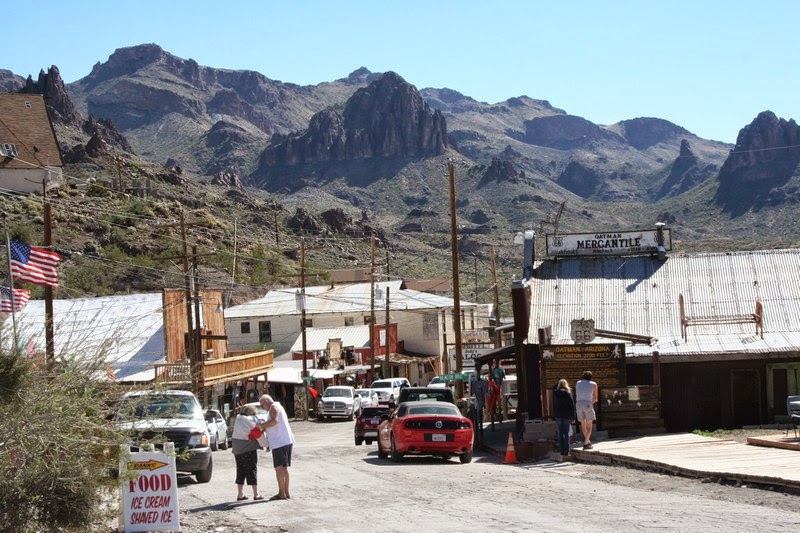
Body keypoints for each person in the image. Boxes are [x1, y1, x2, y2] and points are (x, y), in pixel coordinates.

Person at [258, 394, 295, 500]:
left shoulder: (273, 407)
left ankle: (281, 493)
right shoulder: (277, 406)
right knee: (284, 468)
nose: (262, 407)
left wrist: (262, 425)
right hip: (285, 440)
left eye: (262, 405)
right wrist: (265, 428)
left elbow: (275, 421)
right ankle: (286, 492)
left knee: (279, 468)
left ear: (266, 402)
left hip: (280, 442)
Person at [231, 404, 263, 501]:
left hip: (237, 449)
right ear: (251, 413)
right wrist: (266, 445)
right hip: (248, 449)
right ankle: (256, 494)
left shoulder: (238, 419)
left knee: (240, 470)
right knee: (252, 469)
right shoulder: (251, 420)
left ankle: (240, 494)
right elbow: (259, 432)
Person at [575, 370, 599, 450]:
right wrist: (590, 403)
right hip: (587, 403)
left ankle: (587, 441)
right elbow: (595, 398)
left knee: (583, 424)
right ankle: (586, 442)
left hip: (578, 403)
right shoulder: (594, 384)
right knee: (589, 424)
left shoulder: (578, 383)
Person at [553, 379, 576, 456]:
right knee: (566, 434)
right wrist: (573, 417)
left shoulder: (556, 393)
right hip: (567, 415)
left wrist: (559, 385)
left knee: (560, 433)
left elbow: (554, 388)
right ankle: (567, 451)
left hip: (558, 416)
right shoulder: (568, 394)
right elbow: (572, 406)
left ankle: (561, 451)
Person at [470, 363, 488, 447]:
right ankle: (477, 440)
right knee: (476, 422)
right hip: (475, 403)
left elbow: (485, 393)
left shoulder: (484, 381)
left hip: (480, 403)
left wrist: (484, 403)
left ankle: (480, 440)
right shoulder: (473, 380)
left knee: (480, 421)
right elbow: (471, 393)